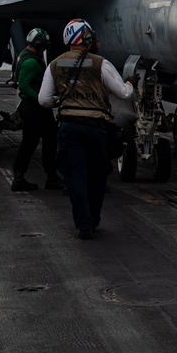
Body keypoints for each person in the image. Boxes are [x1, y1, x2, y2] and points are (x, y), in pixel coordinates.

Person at [38, 19, 137, 240]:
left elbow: (44, 100)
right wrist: (130, 83)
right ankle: (93, 219)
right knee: (97, 175)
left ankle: (83, 224)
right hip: (96, 128)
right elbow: (123, 93)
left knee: (75, 177)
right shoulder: (101, 63)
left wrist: (65, 100)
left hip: (69, 127)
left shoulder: (54, 64)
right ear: (87, 37)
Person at [10, 28, 62, 192]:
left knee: (38, 142)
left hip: (33, 108)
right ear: (39, 44)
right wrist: (42, 98)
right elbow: (23, 86)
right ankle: (45, 177)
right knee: (43, 142)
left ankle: (47, 176)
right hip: (35, 108)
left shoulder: (24, 55)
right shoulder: (31, 62)